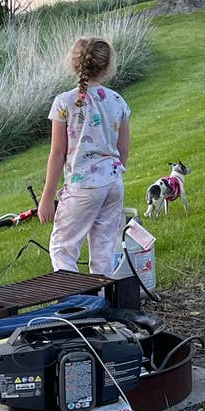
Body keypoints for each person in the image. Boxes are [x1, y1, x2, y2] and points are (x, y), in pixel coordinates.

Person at [38, 36, 131, 275]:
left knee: (62, 248)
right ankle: (101, 302)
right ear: (107, 66)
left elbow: (57, 153)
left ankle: (76, 303)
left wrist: (47, 197)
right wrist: (113, 175)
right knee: (104, 250)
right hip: (113, 183)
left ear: (74, 64)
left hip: (83, 187)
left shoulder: (64, 103)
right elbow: (123, 151)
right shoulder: (117, 101)